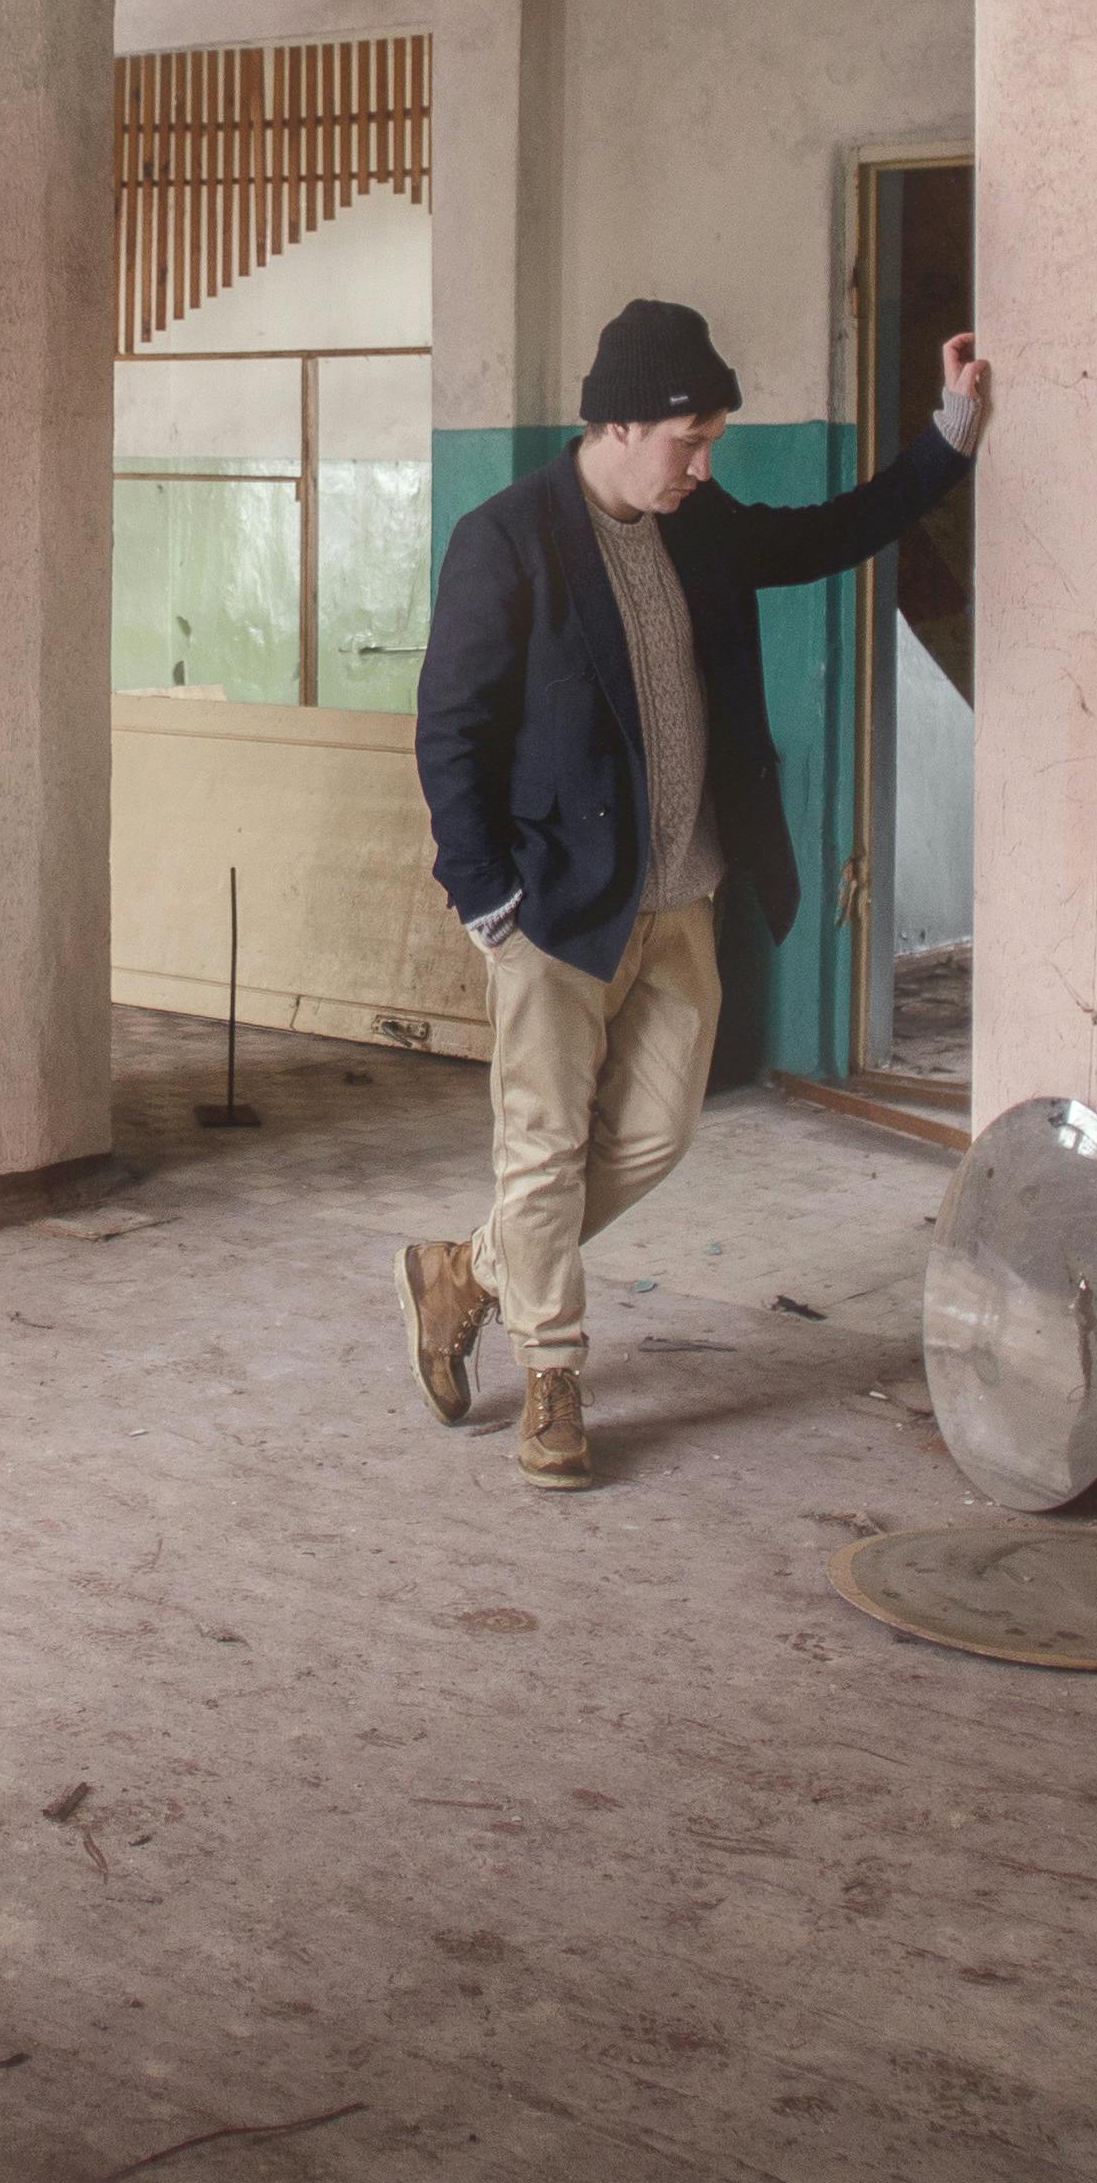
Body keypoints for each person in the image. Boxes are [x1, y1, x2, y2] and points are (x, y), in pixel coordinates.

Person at [398, 296, 990, 1486]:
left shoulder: (697, 523)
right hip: (555, 909)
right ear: (618, 425)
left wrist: (951, 435)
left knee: (657, 1134)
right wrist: (486, 899)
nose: (704, 464)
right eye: (689, 441)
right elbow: (449, 730)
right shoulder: (507, 539)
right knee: (543, 1143)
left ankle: (468, 1270)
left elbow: (827, 533)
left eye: (712, 441)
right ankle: (553, 1376)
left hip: (682, 900)